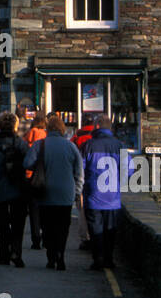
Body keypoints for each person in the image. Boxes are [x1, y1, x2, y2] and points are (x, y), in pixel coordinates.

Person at [23, 114, 83, 270]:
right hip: (66, 194)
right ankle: (60, 255)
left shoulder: (40, 145)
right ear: (62, 129)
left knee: (47, 226)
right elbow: (79, 172)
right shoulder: (71, 146)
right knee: (63, 227)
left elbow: (27, 163)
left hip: (45, 193)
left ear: (48, 129)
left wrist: (39, 165)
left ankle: (51, 256)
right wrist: (77, 192)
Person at [0, 112, 29, 266]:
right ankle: (16, 253)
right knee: (18, 224)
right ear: (15, 126)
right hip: (18, 188)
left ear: (0, 126)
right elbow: (29, 163)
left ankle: (3, 255)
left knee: (2, 225)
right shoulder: (21, 144)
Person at [83, 115, 126, 270]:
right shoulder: (119, 145)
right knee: (110, 230)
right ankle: (109, 259)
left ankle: (98, 259)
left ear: (96, 126)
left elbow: (81, 168)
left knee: (95, 229)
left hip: (94, 195)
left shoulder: (89, 145)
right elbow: (129, 169)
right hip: (113, 197)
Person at [24, 113, 48, 251]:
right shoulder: (46, 137)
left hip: (30, 176)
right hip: (44, 175)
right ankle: (45, 237)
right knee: (45, 208)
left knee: (33, 209)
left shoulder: (28, 135)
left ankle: (35, 239)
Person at [73, 119, 96, 250]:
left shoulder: (77, 137)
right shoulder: (96, 138)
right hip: (97, 179)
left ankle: (85, 238)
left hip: (81, 179)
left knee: (82, 211)